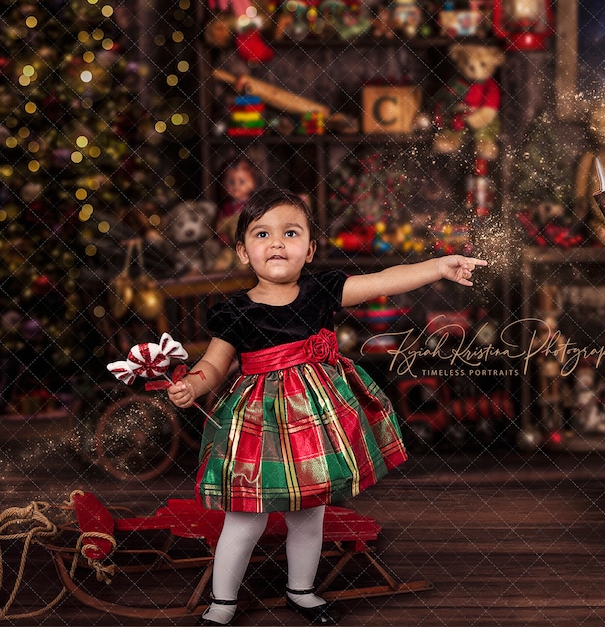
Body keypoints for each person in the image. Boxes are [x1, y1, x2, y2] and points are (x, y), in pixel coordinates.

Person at [168, 186, 487, 625]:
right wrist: (192, 385)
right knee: (246, 518)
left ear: (310, 249)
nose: (277, 243)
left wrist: (436, 266)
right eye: (262, 234)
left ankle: (301, 591)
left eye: (291, 232)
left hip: (316, 423)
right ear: (242, 251)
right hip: (259, 427)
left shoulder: (321, 291)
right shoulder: (234, 310)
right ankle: (222, 603)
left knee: (308, 510)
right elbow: (214, 365)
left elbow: (383, 280)